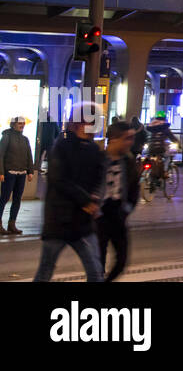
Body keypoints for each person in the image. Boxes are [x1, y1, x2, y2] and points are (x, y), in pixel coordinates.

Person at [34, 109, 106, 282]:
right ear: (78, 124)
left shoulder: (93, 149)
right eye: (91, 122)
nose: (95, 127)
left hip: (82, 222)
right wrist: (86, 201)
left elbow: (100, 177)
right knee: (46, 269)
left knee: (95, 271)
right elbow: (59, 179)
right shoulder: (61, 146)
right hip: (59, 220)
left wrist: (96, 197)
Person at [97, 121, 140, 282]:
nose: (131, 142)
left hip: (118, 214)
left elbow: (134, 188)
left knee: (121, 260)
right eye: (127, 138)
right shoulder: (98, 160)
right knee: (97, 262)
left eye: (132, 138)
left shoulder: (128, 161)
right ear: (114, 139)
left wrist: (127, 209)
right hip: (98, 216)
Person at [1, 116, 36, 234]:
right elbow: (1, 155)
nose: (22, 125)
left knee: (17, 199)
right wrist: (1, 172)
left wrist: (30, 171)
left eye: (23, 123)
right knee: (4, 198)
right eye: (20, 123)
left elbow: (29, 156)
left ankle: (12, 224)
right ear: (13, 124)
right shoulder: (7, 136)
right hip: (9, 173)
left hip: (21, 173)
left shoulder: (25, 139)